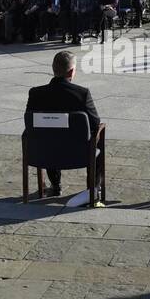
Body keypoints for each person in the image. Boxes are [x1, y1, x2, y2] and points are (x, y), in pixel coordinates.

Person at [25, 51, 101, 197]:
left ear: (53, 68)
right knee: (99, 136)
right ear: (72, 71)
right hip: (79, 154)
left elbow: (31, 124)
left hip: (45, 152)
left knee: (48, 135)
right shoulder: (82, 94)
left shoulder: (35, 93)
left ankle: (55, 184)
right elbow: (95, 122)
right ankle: (94, 188)